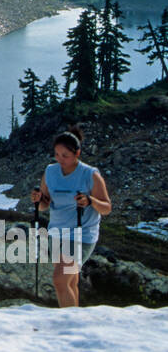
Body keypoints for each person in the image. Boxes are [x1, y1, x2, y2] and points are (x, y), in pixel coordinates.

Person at [30, 124, 110, 308]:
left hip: (82, 234)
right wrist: (38, 199)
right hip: (57, 233)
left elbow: (106, 208)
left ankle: (68, 322)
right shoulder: (50, 172)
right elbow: (44, 205)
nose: (60, 159)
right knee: (70, 282)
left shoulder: (90, 174)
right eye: (57, 154)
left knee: (60, 280)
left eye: (65, 155)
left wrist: (90, 201)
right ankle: (75, 323)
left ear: (77, 153)